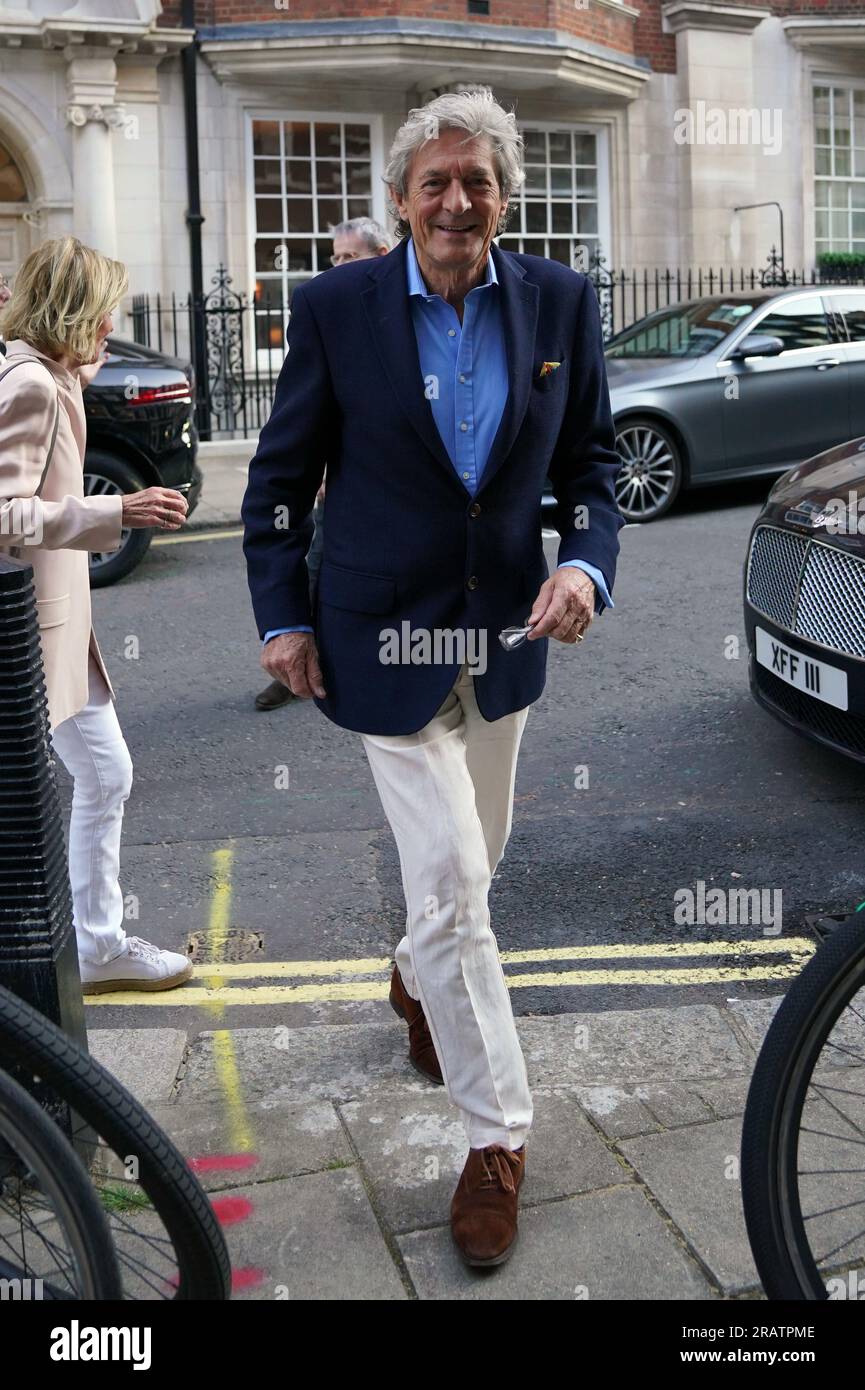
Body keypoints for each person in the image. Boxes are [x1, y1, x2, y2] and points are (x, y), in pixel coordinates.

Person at [241, 87, 623, 1268]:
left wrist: (587, 570)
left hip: (503, 643)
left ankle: (413, 978)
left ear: (506, 195)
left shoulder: (558, 298)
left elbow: (595, 469)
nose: (458, 201)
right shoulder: (337, 307)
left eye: (479, 181)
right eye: (436, 182)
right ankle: (496, 1137)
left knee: (475, 866)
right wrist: (280, 617)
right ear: (401, 199)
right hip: (376, 639)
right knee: (457, 880)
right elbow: (277, 481)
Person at [0, 236, 194, 994]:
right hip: (29, 630)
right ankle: (89, 945)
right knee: (96, 776)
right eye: (103, 308)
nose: (113, 322)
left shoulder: (46, 374)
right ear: (72, 311)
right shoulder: (32, 387)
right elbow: (6, 511)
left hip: (56, 625)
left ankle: (95, 942)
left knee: (103, 775)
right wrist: (118, 507)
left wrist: (76, 369)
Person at [254, 217, 392, 710]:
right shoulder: (330, 310)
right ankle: (298, 663)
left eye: (348, 257)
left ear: (381, 254)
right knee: (314, 568)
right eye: (333, 258)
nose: (336, 267)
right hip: (340, 484)